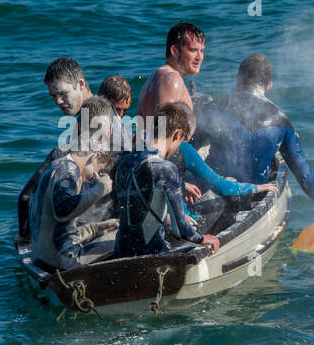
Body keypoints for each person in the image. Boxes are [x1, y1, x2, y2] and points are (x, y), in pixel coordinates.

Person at [191, 54, 314, 220]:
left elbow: (189, 147)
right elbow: (303, 172)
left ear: (239, 79)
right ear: (269, 86)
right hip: (252, 198)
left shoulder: (215, 106)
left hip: (214, 191)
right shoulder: (281, 121)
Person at [114, 102, 219, 258]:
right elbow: (181, 229)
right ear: (177, 134)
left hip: (120, 252)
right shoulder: (166, 169)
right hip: (152, 255)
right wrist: (202, 238)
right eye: (180, 141)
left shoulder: (124, 162)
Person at [28, 100, 116, 270]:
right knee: (123, 237)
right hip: (62, 262)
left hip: (43, 259)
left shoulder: (58, 165)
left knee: (112, 232)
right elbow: (63, 212)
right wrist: (101, 188)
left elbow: (59, 226)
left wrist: (96, 228)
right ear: (94, 157)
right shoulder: (68, 171)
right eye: (98, 170)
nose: (94, 176)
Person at [16, 58, 96, 243]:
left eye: (63, 93)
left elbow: (25, 197)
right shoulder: (111, 111)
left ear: (81, 84)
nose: (58, 101)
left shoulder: (71, 144)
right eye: (53, 96)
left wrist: (24, 235)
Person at [137, 21, 205, 118]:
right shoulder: (171, 80)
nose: (199, 57)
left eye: (202, 51)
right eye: (193, 50)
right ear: (174, 51)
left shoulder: (155, 77)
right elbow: (162, 129)